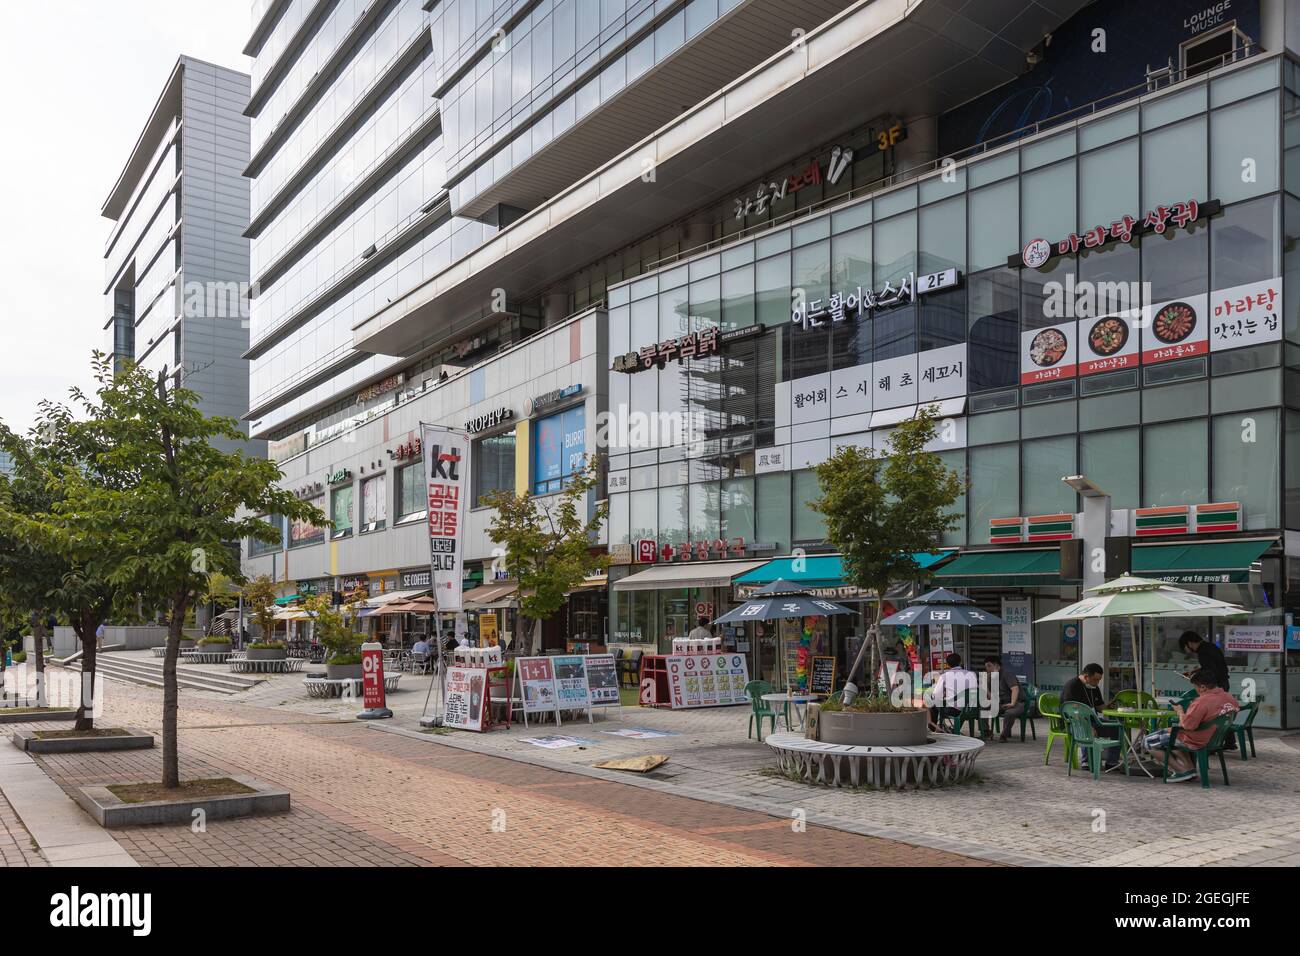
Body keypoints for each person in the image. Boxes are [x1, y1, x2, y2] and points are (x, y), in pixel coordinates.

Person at [1147, 669, 1239, 782]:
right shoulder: (1230, 698)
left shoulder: (1201, 702)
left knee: (1148, 741)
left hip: (1195, 739)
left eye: (1195, 687)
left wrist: (1180, 711)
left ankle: (1181, 771)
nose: (1196, 690)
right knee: (1169, 736)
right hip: (1216, 739)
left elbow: (1187, 726)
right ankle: (1189, 769)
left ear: (1203, 687)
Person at [1061, 663, 1120, 767]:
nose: (1097, 683)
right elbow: (1071, 712)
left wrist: (1107, 706)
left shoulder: (1093, 687)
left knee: (1117, 728)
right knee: (1087, 730)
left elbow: (1099, 707)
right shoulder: (1072, 686)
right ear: (1086, 676)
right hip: (1073, 723)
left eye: (1099, 680)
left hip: (1092, 721)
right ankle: (1087, 761)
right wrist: (1088, 726)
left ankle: (1112, 762)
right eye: (1095, 680)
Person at [980, 656, 1024, 742]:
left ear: (996, 665)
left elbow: (1015, 689)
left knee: (1010, 712)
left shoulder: (1007, 674)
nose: (987, 669)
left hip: (1016, 702)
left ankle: (1004, 735)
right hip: (1001, 703)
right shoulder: (992, 677)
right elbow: (991, 697)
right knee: (983, 707)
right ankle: (986, 732)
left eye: (989, 666)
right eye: (986, 667)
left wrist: (1012, 703)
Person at [929, 653, 977, 729]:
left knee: (933, 705)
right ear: (960, 662)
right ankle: (955, 729)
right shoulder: (972, 674)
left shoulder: (944, 676)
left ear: (948, 665)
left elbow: (936, 695)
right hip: (972, 709)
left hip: (955, 710)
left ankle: (932, 729)